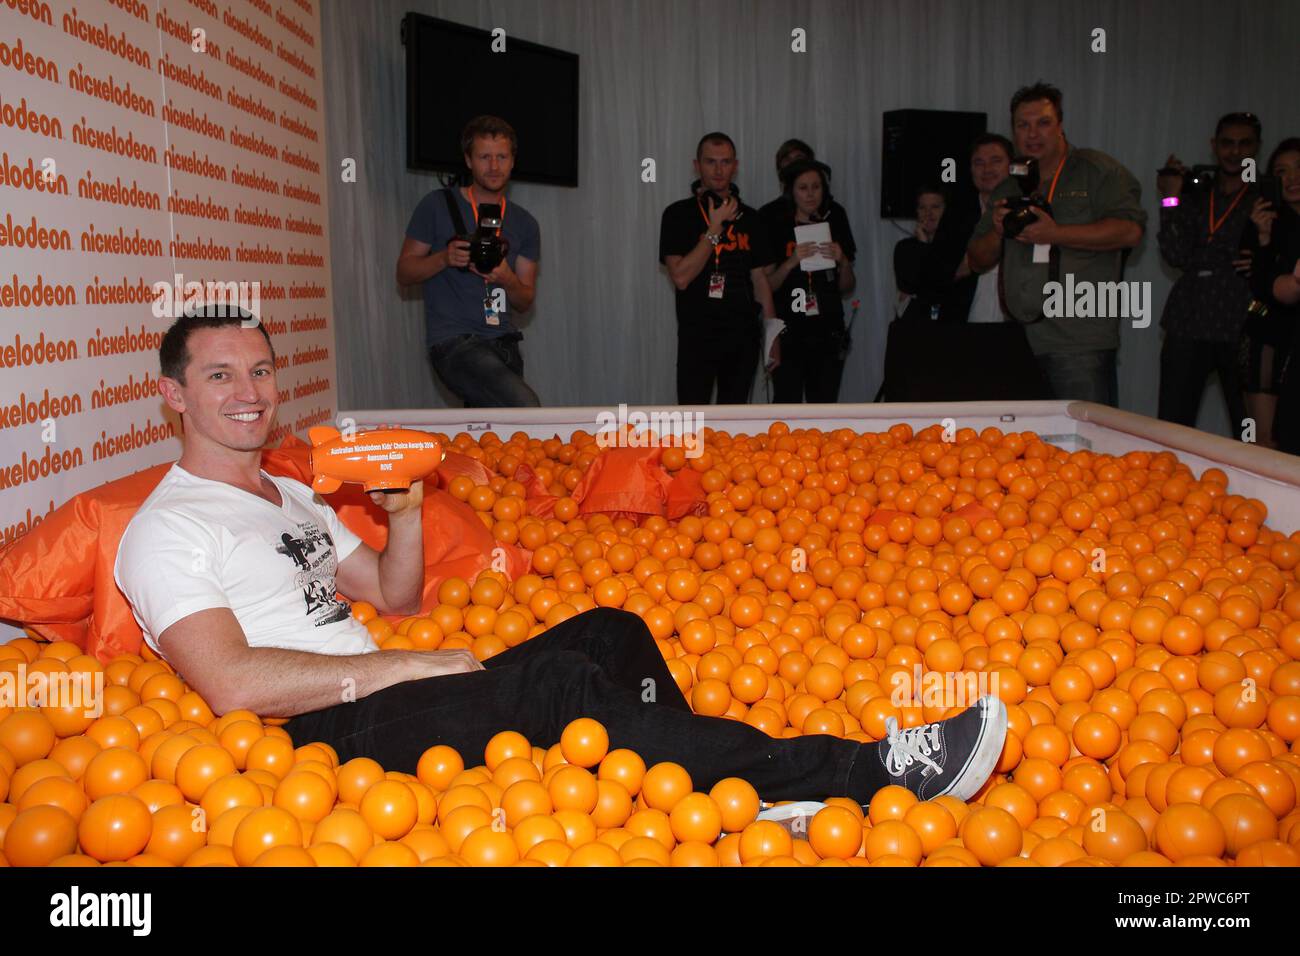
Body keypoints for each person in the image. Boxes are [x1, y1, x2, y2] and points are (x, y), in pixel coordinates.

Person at [115, 307, 1008, 814]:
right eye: (221, 376)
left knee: (611, 632)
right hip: (317, 740)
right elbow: (231, 685)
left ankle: (716, 776)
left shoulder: (292, 493)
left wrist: (409, 511)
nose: (248, 394)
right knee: (563, 688)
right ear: (173, 395)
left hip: (392, 686)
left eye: (261, 372)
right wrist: (409, 664)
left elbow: (387, 589)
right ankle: (863, 772)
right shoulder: (167, 529)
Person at [967, 83, 1146, 405]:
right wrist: (997, 231)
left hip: (1080, 341)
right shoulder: (1008, 183)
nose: (1032, 133)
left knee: (1084, 450)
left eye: (1043, 123)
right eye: (1023, 125)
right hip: (1018, 341)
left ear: (1060, 125)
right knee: (1023, 450)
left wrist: (1056, 233)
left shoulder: (1095, 170)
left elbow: (1130, 232)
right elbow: (977, 259)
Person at [396, 115, 541, 408]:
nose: (494, 166)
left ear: (513, 161)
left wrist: (506, 278)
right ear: (468, 160)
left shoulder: (525, 223)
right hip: (454, 342)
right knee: (525, 408)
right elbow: (404, 271)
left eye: (502, 156)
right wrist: (444, 258)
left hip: (504, 342)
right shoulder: (437, 205)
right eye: (484, 157)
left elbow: (525, 299)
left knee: (495, 437)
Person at [1154, 112, 1261, 434]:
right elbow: (1175, 254)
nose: (1234, 151)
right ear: (1214, 145)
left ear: (1257, 147)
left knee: (1250, 428)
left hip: (1242, 324)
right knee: (1174, 426)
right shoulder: (1196, 192)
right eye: (1227, 143)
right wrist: (1171, 195)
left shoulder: (1266, 194)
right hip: (1189, 318)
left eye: (1244, 144)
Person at [659, 133, 782, 404]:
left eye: (725, 162)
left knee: (734, 425)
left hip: (743, 336)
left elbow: (760, 280)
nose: (718, 170)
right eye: (710, 162)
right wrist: (715, 228)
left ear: (735, 166)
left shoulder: (752, 218)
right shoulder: (677, 215)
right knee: (692, 423)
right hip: (698, 334)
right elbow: (681, 277)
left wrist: (773, 336)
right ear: (696, 165)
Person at [761, 158, 857, 403]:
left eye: (816, 187)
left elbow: (847, 287)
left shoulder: (834, 220)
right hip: (790, 331)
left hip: (827, 329)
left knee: (824, 405)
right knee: (787, 404)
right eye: (803, 188)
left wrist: (843, 261)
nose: (810, 194)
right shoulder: (777, 225)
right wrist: (791, 262)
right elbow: (767, 285)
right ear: (792, 192)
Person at [1242, 138, 1300, 451]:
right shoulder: (1266, 221)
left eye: (1299, 168)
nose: (1292, 178)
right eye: (1282, 171)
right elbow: (1261, 285)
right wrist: (1263, 237)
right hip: (1270, 334)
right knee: (1266, 442)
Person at [893, 186, 968, 323]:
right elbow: (909, 285)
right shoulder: (904, 247)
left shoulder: (957, 247)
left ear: (946, 211)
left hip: (949, 324)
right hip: (912, 325)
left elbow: (940, 286)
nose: (928, 213)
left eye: (935, 207)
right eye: (922, 208)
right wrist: (923, 244)